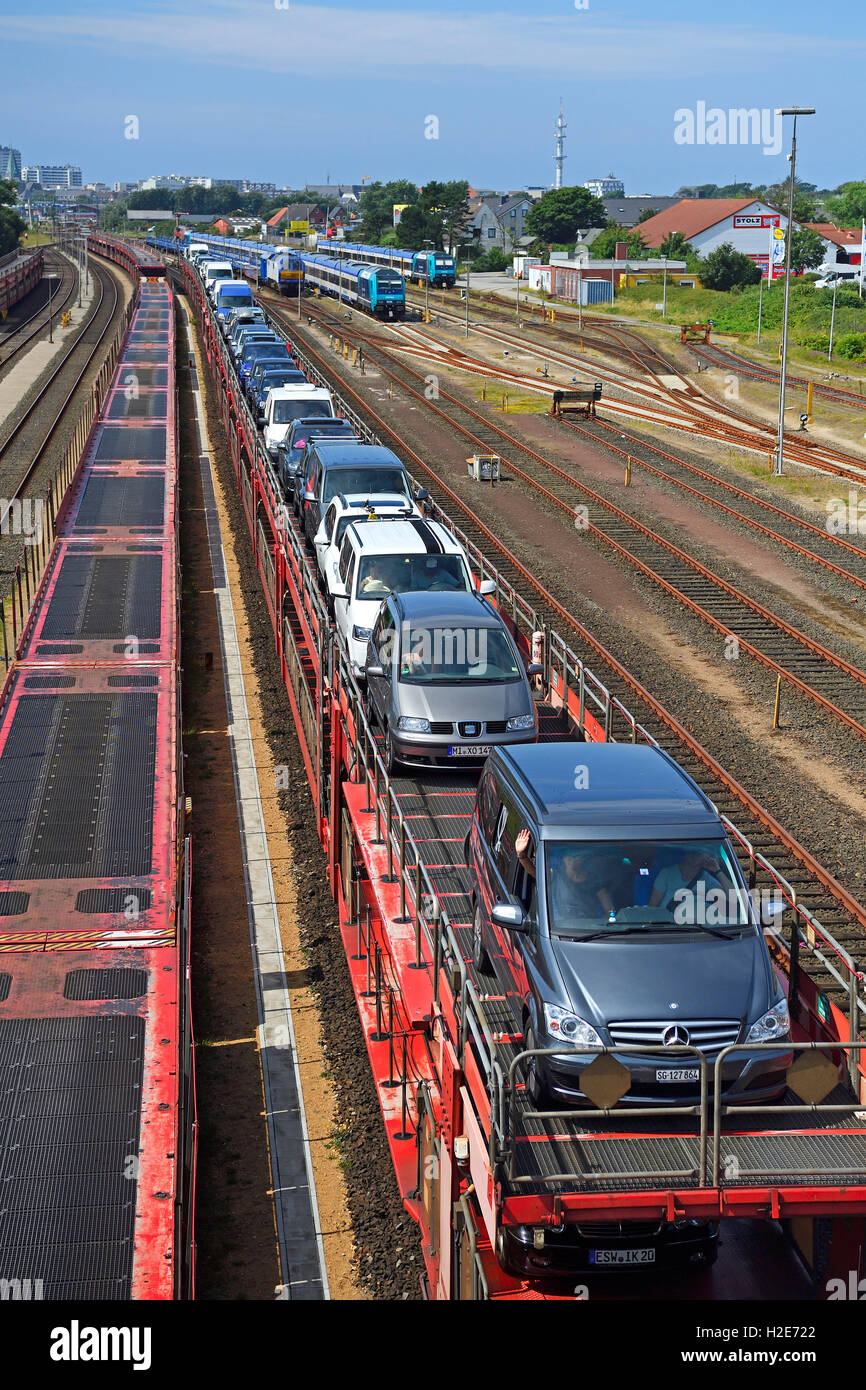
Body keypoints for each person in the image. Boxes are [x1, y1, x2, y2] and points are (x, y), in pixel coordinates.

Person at [516, 829, 614, 920]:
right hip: (558, 927)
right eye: (569, 858)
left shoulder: (594, 880)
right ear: (564, 858)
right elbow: (534, 872)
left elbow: (609, 910)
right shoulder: (555, 874)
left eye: (576, 857)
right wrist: (521, 855)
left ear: (583, 859)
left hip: (587, 928)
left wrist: (601, 926)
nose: (572, 861)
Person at [649, 848, 724, 915]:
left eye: (700, 852)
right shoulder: (667, 873)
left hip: (696, 928)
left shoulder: (706, 879)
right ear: (685, 853)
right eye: (692, 850)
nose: (695, 854)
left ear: (708, 858)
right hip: (668, 926)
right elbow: (652, 909)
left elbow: (732, 898)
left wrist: (717, 871)